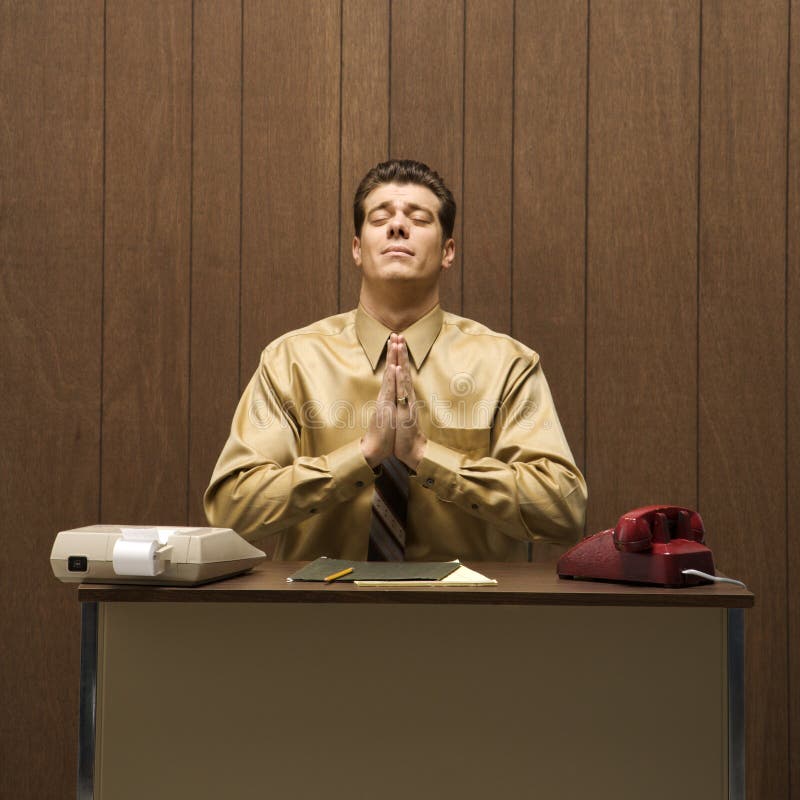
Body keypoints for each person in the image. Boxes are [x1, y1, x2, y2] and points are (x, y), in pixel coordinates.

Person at [204, 159, 587, 561]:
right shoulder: (291, 361)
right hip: (320, 615)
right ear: (357, 248)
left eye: (419, 218)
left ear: (447, 251)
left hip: (467, 618)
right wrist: (363, 456)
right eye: (380, 217)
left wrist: (425, 458)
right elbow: (231, 508)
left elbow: (563, 510)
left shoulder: (507, 364)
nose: (398, 226)